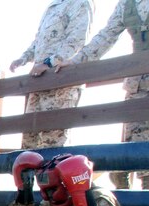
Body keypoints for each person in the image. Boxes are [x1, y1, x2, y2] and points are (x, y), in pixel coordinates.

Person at [58, 0, 149, 189]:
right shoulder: (126, 4)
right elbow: (107, 35)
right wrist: (77, 60)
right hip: (138, 77)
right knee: (132, 133)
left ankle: (147, 186)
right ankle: (123, 178)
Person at [9, 0, 95, 149]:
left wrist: (49, 63)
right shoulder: (54, 5)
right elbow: (40, 39)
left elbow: (76, 40)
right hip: (39, 83)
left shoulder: (80, 3)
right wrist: (24, 58)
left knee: (53, 141)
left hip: (61, 82)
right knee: (30, 141)